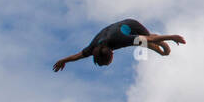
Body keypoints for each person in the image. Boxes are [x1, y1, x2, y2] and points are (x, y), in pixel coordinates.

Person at [53, 19, 185, 71]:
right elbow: (77, 56)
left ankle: (158, 39)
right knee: (160, 50)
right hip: (115, 30)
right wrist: (63, 60)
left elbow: (148, 38)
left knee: (164, 49)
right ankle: (155, 42)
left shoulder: (120, 40)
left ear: (111, 53)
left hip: (132, 25)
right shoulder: (93, 48)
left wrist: (172, 37)